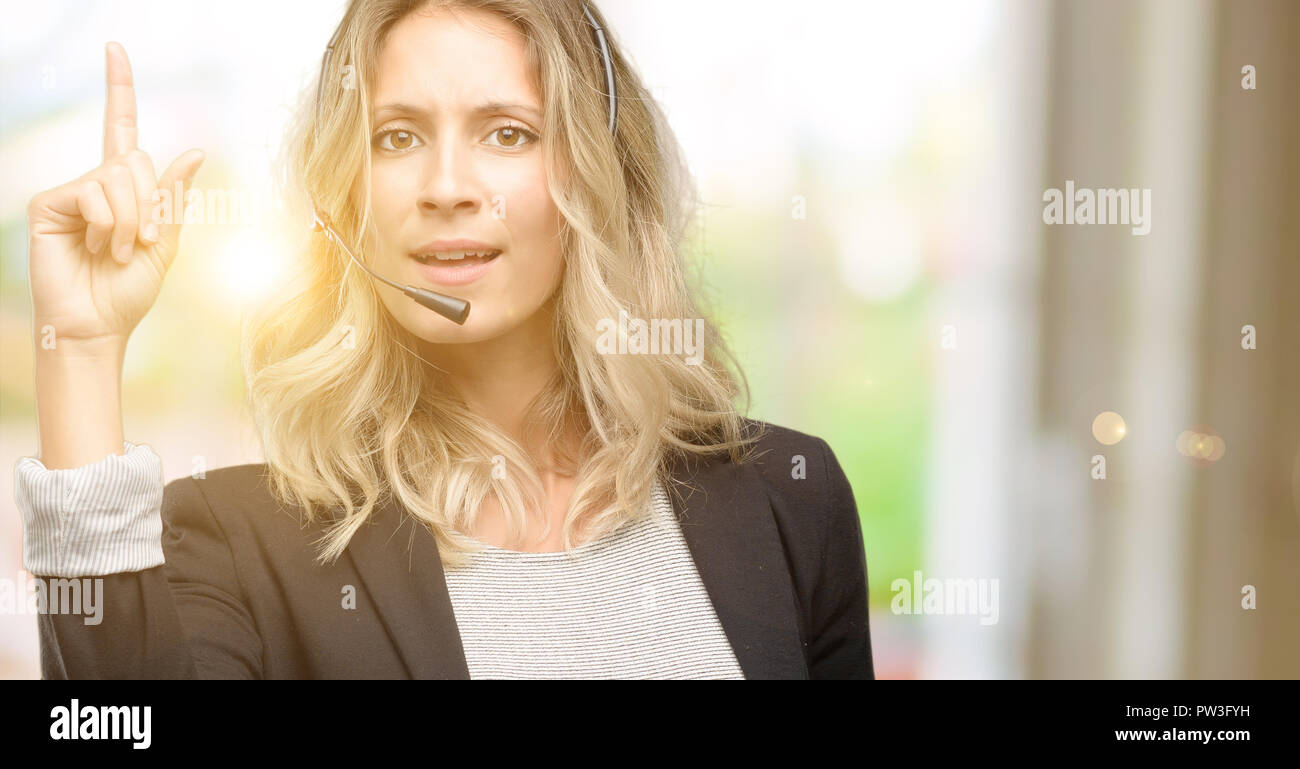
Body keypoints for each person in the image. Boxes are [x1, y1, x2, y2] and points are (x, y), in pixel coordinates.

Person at [16, 0, 872, 679]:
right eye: (398, 137)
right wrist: (82, 348)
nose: (446, 186)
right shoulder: (242, 537)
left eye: (508, 132)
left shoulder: (790, 502)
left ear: (597, 176)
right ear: (348, 199)